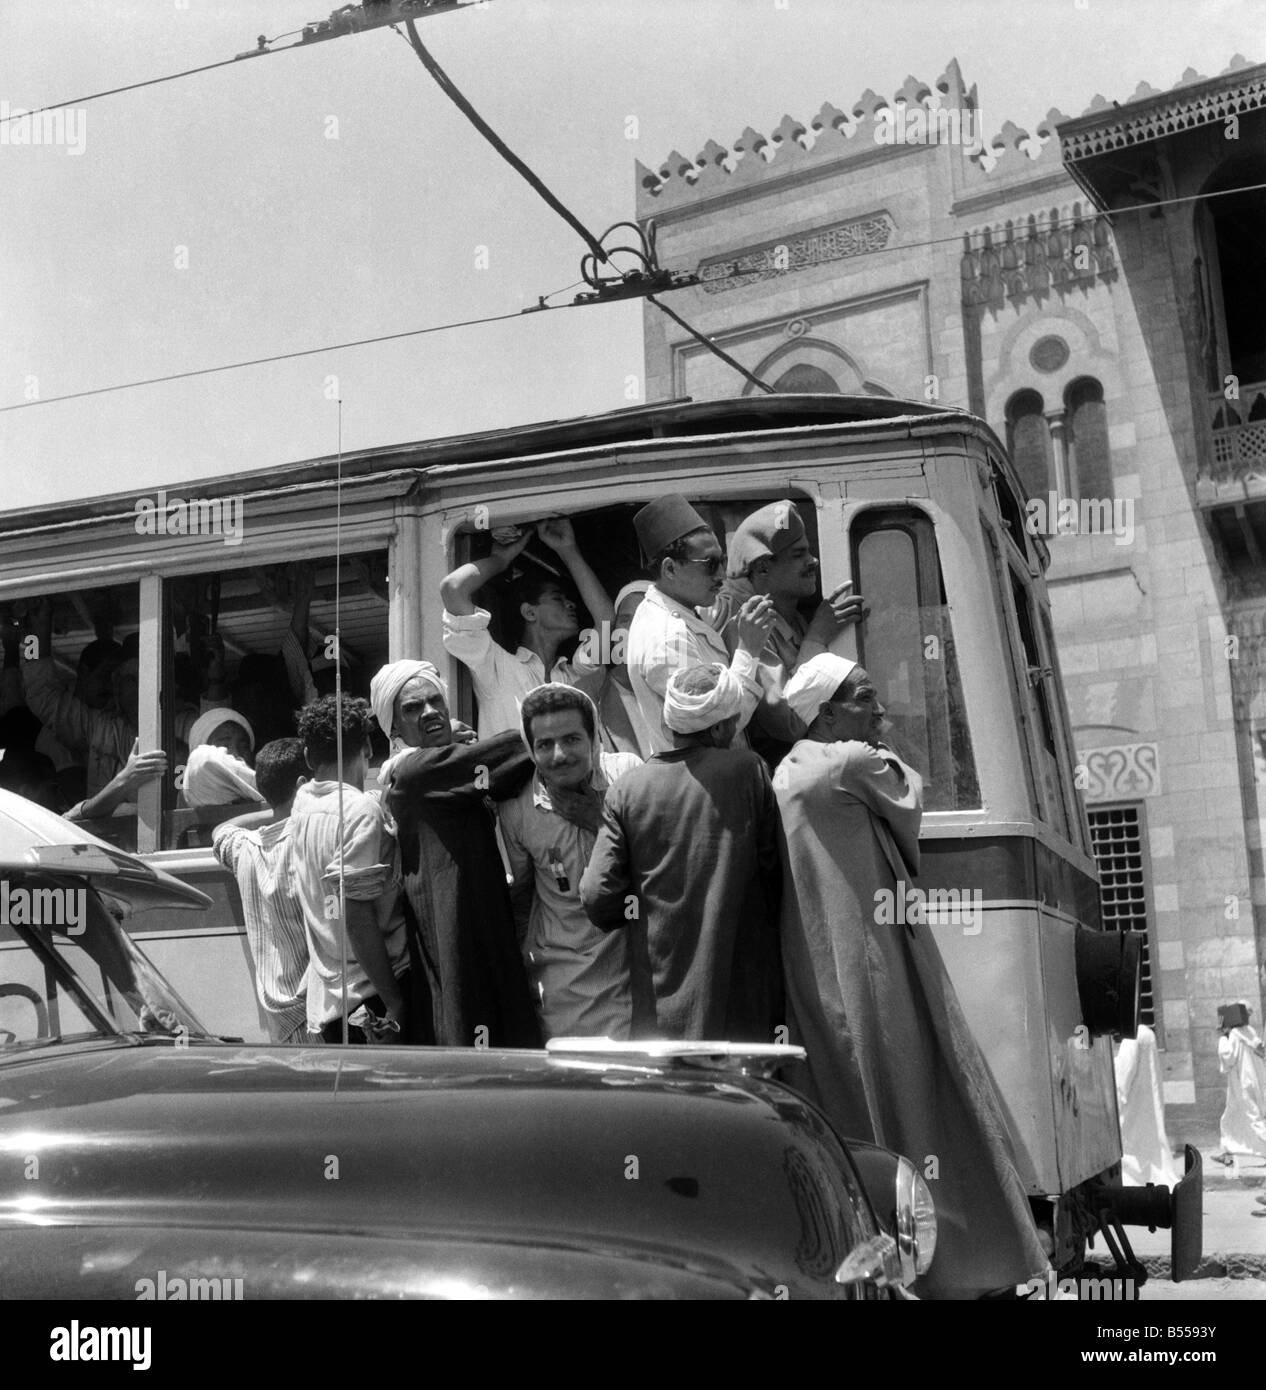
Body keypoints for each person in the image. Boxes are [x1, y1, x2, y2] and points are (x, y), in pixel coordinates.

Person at [774, 651, 1048, 1299]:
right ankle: (964, 1259)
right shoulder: (852, 762)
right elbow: (911, 799)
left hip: (816, 969)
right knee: (923, 1086)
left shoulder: (787, 769)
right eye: (864, 698)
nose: (879, 711)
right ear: (829, 711)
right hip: (877, 960)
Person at [580, 663, 782, 1041]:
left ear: (671, 725)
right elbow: (776, 880)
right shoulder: (748, 771)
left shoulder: (627, 790)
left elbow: (597, 899)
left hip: (660, 1016)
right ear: (721, 728)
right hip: (744, 1006)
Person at [371, 659, 541, 1048]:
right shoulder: (416, 772)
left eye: (435, 702)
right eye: (413, 708)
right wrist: (471, 746)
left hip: (483, 927)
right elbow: (519, 749)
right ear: (394, 728)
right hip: (459, 940)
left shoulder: (436, 765)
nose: (429, 712)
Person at [501, 684, 640, 1040]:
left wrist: (601, 818)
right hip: (563, 984)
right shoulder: (518, 809)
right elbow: (520, 898)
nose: (559, 755)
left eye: (572, 739)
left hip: (633, 970)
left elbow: (659, 863)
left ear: (593, 737)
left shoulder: (627, 777)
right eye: (545, 745)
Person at [290, 695, 412, 1045]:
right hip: (374, 998)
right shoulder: (359, 811)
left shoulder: (303, 803)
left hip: (330, 1004)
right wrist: (396, 1003)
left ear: (310, 758)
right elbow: (357, 916)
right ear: (368, 749)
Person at [702, 499, 864, 758]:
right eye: (799, 555)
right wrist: (817, 638)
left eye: (808, 552)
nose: (813, 561)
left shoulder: (792, 617)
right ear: (763, 567)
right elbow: (787, 722)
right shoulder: (746, 624)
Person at [625, 495, 776, 754]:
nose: (721, 575)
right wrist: (748, 649)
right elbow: (719, 722)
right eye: (711, 564)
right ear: (670, 569)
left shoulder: (683, 610)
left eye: (723, 561)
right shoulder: (667, 638)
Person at [440, 516, 612, 738]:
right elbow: (452, 588)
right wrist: (499, 560)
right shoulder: (496, 667)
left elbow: (606, 620)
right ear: (529, 612)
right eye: (557, 598)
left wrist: (568, 549)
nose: (570, 604)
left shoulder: (575, 675)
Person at [211, 738, 311, 1044]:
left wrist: (272, 810)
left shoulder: (245, 848)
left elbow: (221, 831)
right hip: (316, 1014)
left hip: (280, 1022)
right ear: (304, 784)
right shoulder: (309, 841)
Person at [20, 600, 136, 796]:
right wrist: (34, 633)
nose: (112, 687)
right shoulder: (99, 726)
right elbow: (40, 691)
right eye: (107, 676)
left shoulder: (172, 725)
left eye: (123, 680)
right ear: (83, 672)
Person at [590, 581, 658, 760]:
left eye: (643, 618)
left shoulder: (679, 688)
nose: (633, 628)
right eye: (625, 620)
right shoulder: (590, 693)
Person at [1113, 1022, 1182, 1187]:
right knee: (1151, 1149)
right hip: (1145, 1104)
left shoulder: (1132, 1037)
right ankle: (1231, 1169)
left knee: (1133, 1153)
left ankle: (1231, 1170)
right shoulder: (1146, 1032)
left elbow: (1121, 1079)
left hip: (1133, 1106)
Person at [1214, 1002, 1266, 1162]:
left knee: (1252, 1117)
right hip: (1253, 1080)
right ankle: (1228, 1151)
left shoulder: (1235, 1033)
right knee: (1231, 1116)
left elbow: (1229, 1058)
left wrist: (1222, 1038)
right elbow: (1260, 1050)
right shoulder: (1249, 1031)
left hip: (1241, 1083)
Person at [181, 708, 262, 807]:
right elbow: (204, 760)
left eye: (244, 747)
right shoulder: (201, 758)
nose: (236, 753)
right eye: (224, 746)